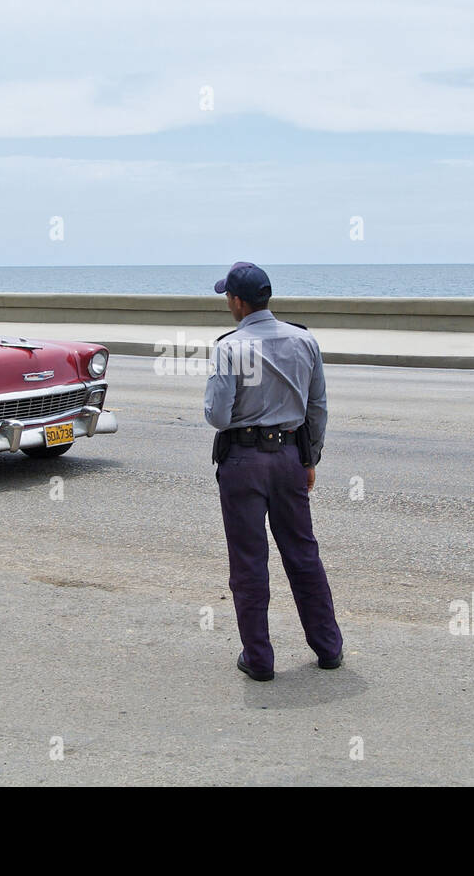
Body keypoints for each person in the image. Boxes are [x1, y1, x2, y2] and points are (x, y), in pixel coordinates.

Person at [204, 262, 343, 681]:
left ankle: (260, 660)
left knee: (249, 562)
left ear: (238, 301)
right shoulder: (305, 340)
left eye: (228, 297)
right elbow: (317, 408)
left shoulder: (230, 347)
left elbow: (217, 415)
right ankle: (328, 648)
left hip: (243, 462)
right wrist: (310, 459)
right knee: (303, 554)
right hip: (289, 460)